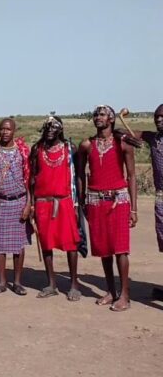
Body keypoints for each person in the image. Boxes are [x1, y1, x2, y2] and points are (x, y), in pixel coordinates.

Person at [77, 105, 137, 311]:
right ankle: (111, 291)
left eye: (102, 115)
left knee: (120, 249)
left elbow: (131, 176)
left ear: (111, 119)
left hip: (118, 200)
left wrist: (134, 209)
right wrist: (82, 199)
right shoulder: (87, 144)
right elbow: (80, 174)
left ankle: (125, 295)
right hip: (95, 201)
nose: (97, 117)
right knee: (104, 249)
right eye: (95, 115)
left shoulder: (123, 144)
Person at [29, 116, 82, 301]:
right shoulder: (37, 149)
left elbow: (78, 177)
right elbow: (32, 179)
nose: (50, 129)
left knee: (71, 244)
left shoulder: (70, 149)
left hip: (65, 201)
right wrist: (32, 204)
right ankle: (51, 283)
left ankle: (74, 284)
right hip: (43, 202)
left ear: (61, 129)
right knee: (46, 244)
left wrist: (78, 204)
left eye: (54, 126)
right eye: (47, 126)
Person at [120, 104, 163, 301]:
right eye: (156, 117)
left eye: (162, 117)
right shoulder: (153, 138)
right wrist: (125, 136)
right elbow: (122, 131)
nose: (159, 120)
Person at [0, 118, 31, 296]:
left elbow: (29, 180)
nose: (5, 132)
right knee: (0, 245)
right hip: (0, 203)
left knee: (19, 245)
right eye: (2, 129)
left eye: (8, 129)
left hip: (19, 202)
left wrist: (28, 204)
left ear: (14, 131)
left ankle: (17, 282)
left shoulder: (23, 151)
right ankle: (2, 282)